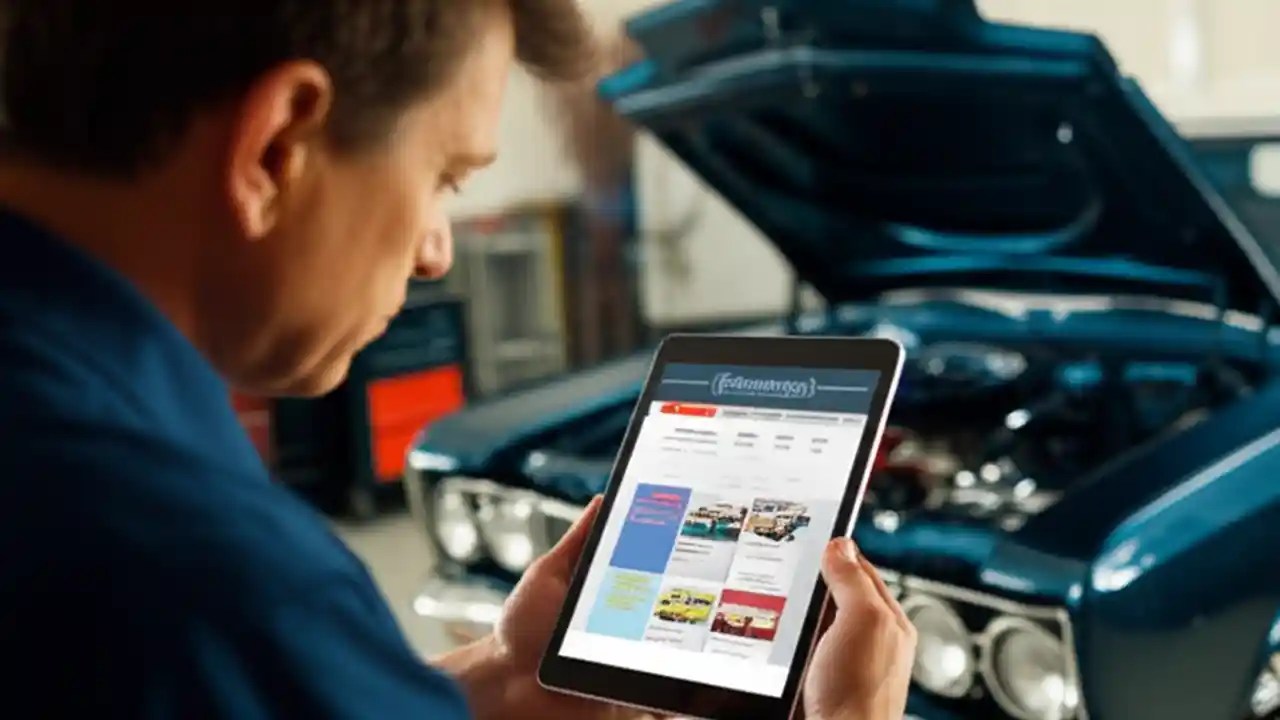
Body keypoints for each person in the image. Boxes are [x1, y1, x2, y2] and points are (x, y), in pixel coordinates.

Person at [0, 2, 916, 719]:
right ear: (279, 145)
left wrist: (510, 677)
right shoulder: (203, 580)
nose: (437, 249)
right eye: (443, 176)